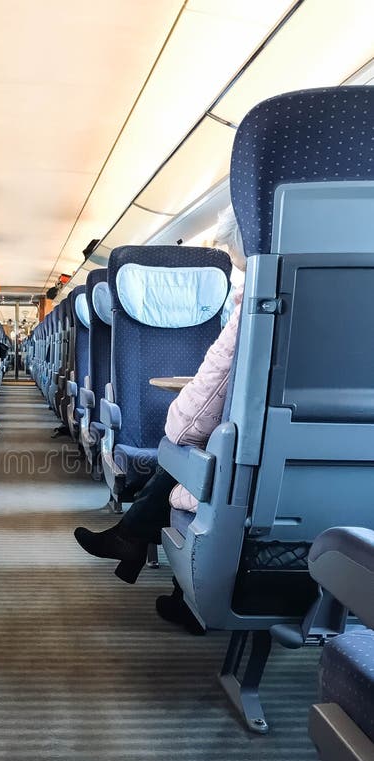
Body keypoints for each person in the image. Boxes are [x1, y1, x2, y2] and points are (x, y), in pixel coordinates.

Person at [74, 206, 246, 634]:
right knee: (205, 452)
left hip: (245, 473)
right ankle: (134, 544)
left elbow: (185, 425)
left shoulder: (258, 311)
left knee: (178, 448)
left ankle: (130, 538)